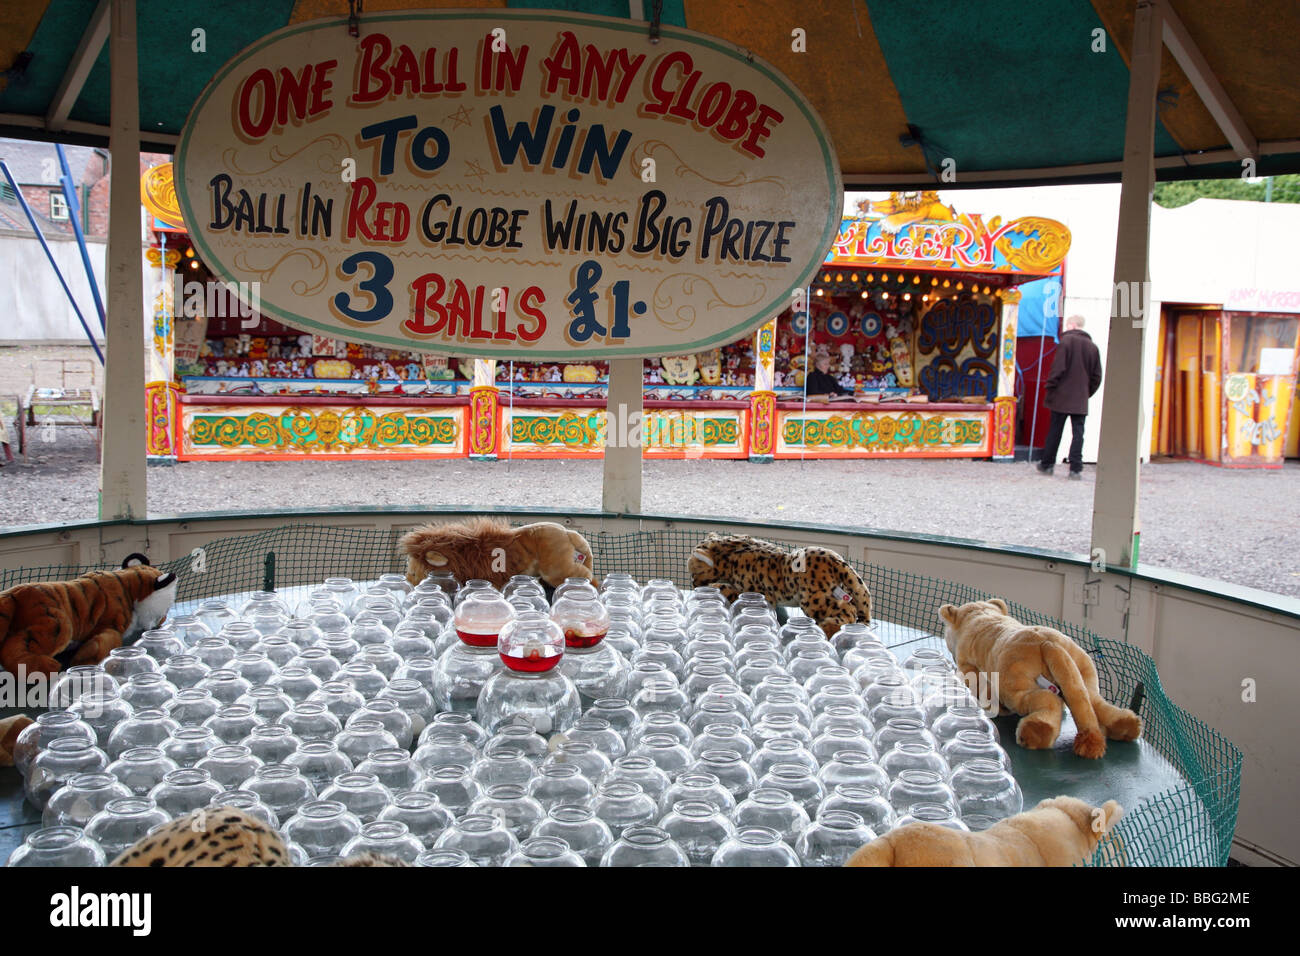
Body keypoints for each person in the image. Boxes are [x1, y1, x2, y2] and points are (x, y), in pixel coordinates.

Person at [1037, 314, 1102, 479]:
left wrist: (1050, 387)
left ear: (1071, 325)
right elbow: (1097, 376)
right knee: (1078, 434)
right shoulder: (1093, 347)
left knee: (1055, 431)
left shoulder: (1066, 342)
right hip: (1080, 399)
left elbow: (1057, 369)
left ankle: (1047, 464)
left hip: (1061, 396)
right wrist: (1086, 393)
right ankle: (1075, 469)